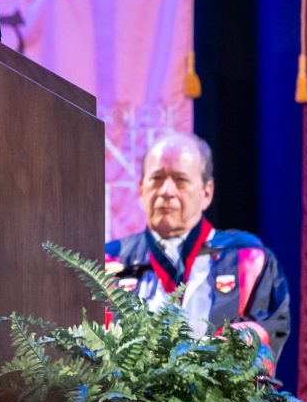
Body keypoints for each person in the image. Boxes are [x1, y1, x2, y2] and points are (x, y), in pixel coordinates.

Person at [105, 132, 291, 368]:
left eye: (180, 180)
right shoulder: (108, 261)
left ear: (206, 193)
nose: (167, 191)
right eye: (157, 179)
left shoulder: (248, 259)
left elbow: (264, 338)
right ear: (141, 190)